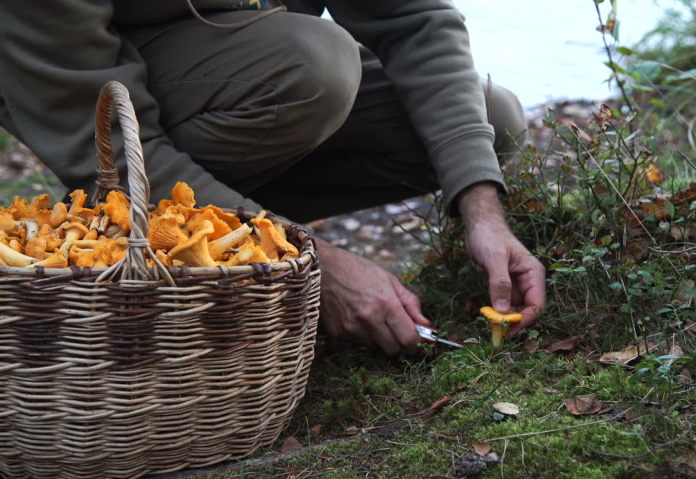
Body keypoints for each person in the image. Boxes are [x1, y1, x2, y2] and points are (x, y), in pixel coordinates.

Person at [0, 0, 546, 356]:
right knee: (315, 64)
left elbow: (418, 21)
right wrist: (314, 266)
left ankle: (222, 237)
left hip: (251, 79)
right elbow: (106, 142)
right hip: (126, 102)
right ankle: (131, 232)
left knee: (493, 121)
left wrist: (481, 210)